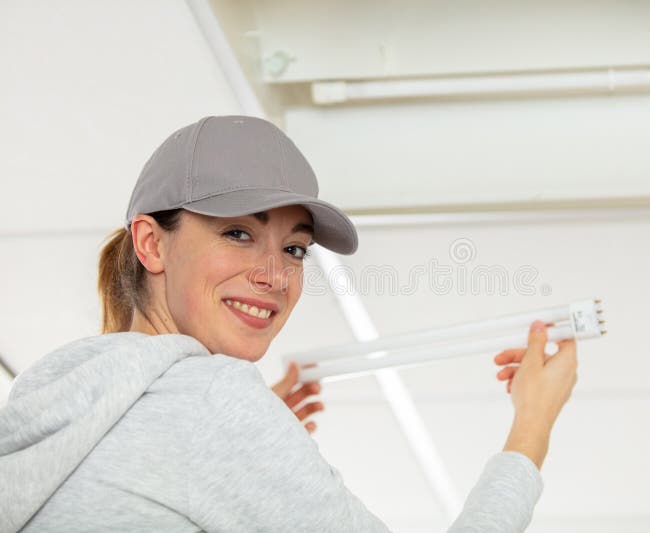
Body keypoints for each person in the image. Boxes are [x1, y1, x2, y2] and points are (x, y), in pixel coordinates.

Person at [0, 115, 578, 532]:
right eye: (238, 233)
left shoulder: (60, 404)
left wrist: (247, 446)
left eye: (295, 249)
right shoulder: (209, 400)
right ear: (151, 244)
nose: (276, 276)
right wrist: (532, 426)